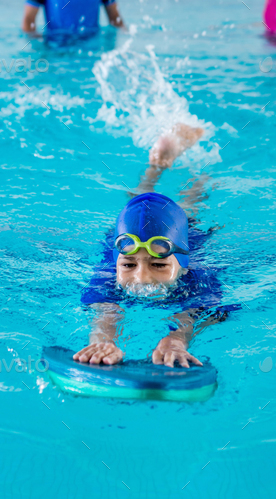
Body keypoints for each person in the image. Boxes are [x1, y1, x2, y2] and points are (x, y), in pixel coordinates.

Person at [73, 124, 231, 369]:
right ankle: (155, 167)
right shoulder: (107, 273)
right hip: (131, 237)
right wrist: (104, 341)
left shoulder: (197, 276)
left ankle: (203, 171)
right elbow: (105, 312)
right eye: (127, 264)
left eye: (158, 264)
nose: (141, 276)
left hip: (185, 236)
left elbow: (200, 311)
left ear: (183, 265)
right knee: (138, 206)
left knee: (190, 207)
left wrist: (176, 339)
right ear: (117, 262)